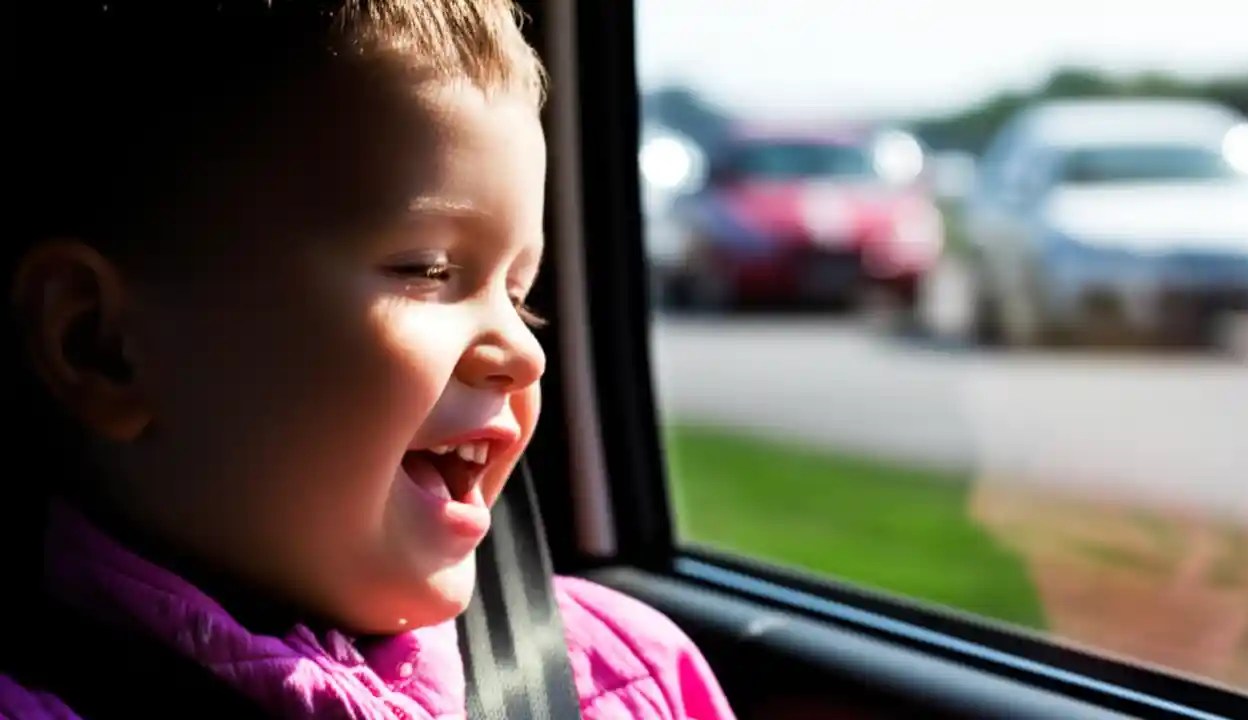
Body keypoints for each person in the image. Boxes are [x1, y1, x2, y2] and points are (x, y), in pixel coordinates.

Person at [0, 2, 736, 718]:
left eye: (521, 294)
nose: (523, 351)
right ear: (102, 346)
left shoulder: (619, 677)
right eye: (425, 269)